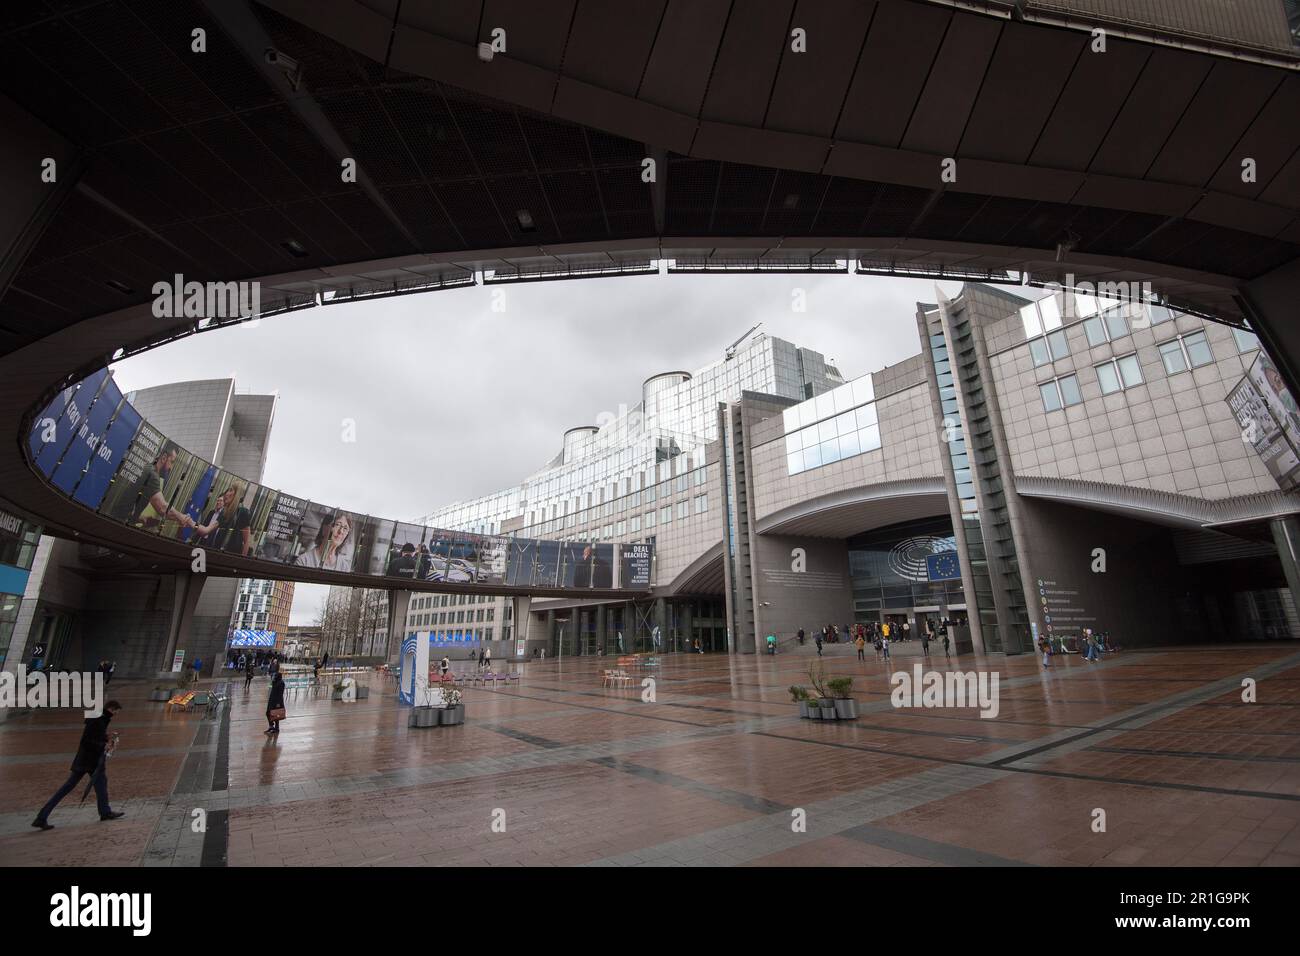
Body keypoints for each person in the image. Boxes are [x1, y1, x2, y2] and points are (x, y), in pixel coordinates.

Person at [32, 700, 125, 829]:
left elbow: (93, 736)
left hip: (85, 760)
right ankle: (42, 817)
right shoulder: (99, 720)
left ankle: (105, 811)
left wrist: (105, 737)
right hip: (90, 761)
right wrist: (104, 745)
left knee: (99, 784)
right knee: (70, 787)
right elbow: (88, 741)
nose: (115, 715)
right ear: (110, 709)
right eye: (115, 712)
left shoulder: (98, 718)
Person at [265, 670, 285, 734]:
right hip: (272, 700)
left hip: (277, 702)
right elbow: (271, 689)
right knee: (268, 713)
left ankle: (277, 728)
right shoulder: (275, 682)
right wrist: (273, 681)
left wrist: (278, 703)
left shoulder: (281, 683)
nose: (274, 677)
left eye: (275, 676)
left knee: (276, 715)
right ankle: (271, 726)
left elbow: (280, 694)